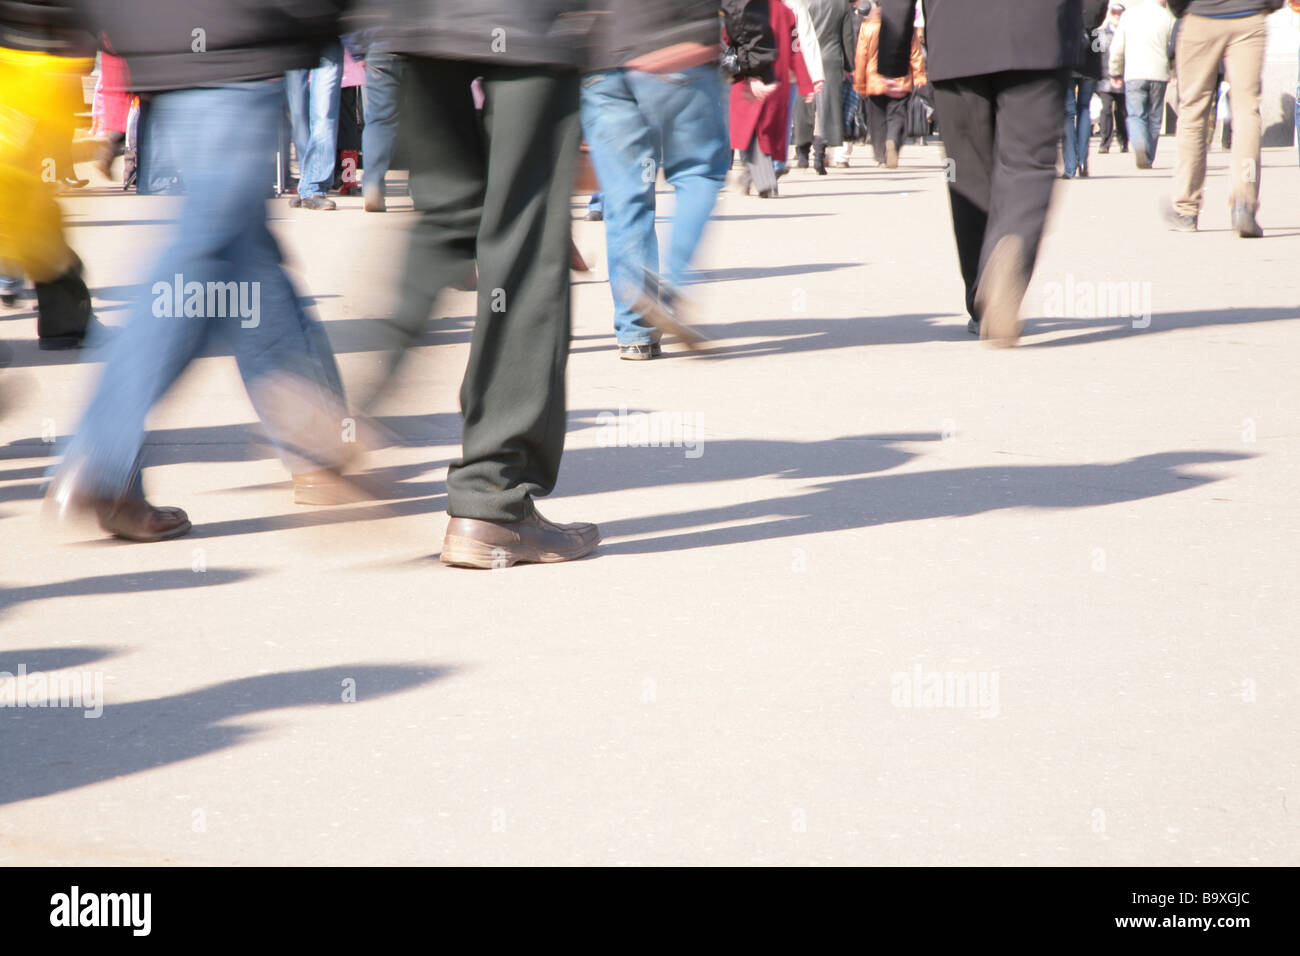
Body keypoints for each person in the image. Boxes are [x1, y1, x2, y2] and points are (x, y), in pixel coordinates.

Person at [48, 0, 355, 542]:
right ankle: (103, 455)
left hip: (165, 39)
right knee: (202, 257)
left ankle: (317, 449)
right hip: (235, 36)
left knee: (244, 252)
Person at [363, 0, 606, 568]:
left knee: (446, 218)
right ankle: (491, 503)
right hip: (531, 26)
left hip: (419, 26)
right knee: (524, 243)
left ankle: (348, 415)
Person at [878, 0, 1084, 347]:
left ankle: (980, 293)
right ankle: (1012, 248)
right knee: (1028, 164)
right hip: (1040, 31)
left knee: (966, 170)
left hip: (957, 37)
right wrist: (1087, 22)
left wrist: (893, 52)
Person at [580, 2, 731, 360]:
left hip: (605, 61)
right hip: (679, 47)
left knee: (624, 196)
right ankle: (670, 290)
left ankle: (636, 333)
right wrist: (752, 50)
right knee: (699, 171)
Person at [1165, 0, 1285, 237]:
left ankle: (1186, 209)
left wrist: (1179, 8)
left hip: (1200, 16)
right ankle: (1244, 204)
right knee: (1247, 112)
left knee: (1192, 112)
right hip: (1249, 16)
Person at [729, 0, 816, 196]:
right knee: (765, 132)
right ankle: (758, 176)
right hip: (777, 80)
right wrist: (804, 82)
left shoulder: (743, 8)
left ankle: (763, 180)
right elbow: (796, 49)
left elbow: (729, 37)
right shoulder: (786, 11)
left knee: (754, 133)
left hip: (748, 78)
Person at [853, 0, 925, 168]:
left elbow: (861, 56)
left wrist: (860, 84)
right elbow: (915, 52)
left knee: (877, 118)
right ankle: (892, 141)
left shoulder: (867, 25)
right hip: (900, 77)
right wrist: (919, 75)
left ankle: (880, 156)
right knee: (897, 115)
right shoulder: (904, 22)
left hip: (874, 79)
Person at [791, 0, 856, 174]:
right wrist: (849, 66)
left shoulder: (804, 3)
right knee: (826, 107)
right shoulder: (842, 5)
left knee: (803, 104)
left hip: (805, 55)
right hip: (831, 57)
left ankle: (802, 152)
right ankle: (820, 152)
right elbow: (847, 37)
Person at [1108, 0, 1175, 170]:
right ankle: (1149, 156)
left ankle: (1139, 144)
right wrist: (1173, 70)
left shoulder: (1128, 15)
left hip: (1134, 73)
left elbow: (1117, 48)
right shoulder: (1167, 17)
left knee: (1136, 115)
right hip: (1159, 73)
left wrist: (1115, 71)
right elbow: (1174, 46)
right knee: (1154, 117)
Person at [285, 36, 343, 210]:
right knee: (298, 114)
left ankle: (314, 186)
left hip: (329, 35)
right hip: (294, 35)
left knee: (324, 114)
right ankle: (306, 181)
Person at [1063, 1, 1110, 178]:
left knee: (1067, 113)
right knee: (1084, 109)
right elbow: (1100, 19)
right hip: (1090, 60)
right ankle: (1083, 162)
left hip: (1067, 61)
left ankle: (1070, 166)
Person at [360, 40, 402, 213]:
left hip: (381, 47)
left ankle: (373, 184)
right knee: (426, 116)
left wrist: (358, 51)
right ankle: (425, 190)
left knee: (379, 120)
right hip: (421, 47)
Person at [1095, 3, 1129, 154]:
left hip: (1123, 77)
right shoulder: (1101, 33)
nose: (1116, 16)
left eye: (1119, 13)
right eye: (1113, 13)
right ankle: (1105, 143)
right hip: (1105, 77)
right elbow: (1096, 53)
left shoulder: (1128, 33)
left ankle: (1123, 141)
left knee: (1122, 112)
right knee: (1106, 110)